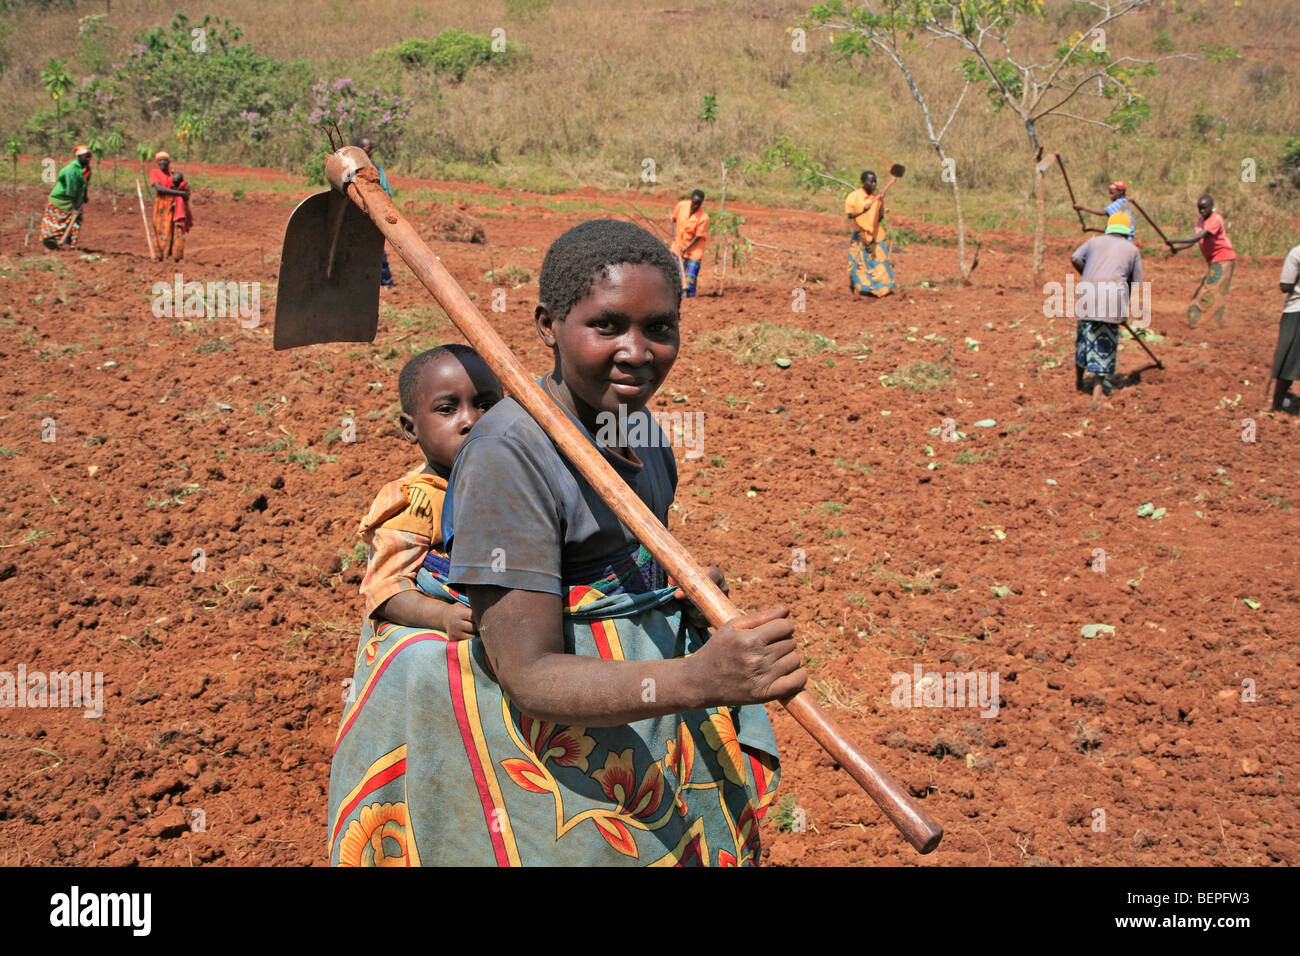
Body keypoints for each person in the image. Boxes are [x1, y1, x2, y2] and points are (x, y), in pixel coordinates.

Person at [328, 220, 802, 866]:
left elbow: (625, 564)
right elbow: (529, 673)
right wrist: (700, 676)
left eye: (659, 328)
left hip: (640, 704)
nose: (637, 351)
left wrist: (676, 596)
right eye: (607, 326)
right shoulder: (508, 457)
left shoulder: (645, 434)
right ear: (549, 325)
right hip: (549, 741)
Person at [357, 345, 504, 634]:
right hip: (444, 645)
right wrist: (443, 616)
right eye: (447, 410)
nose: (471, 421)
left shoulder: (516, 482)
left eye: (486, 405)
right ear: (410, 429)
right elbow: (385, 589)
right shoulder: (418, 503)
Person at [1069, 212, 1144, 400]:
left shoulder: (1094, 241)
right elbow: (1133, 283)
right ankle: (1097, 394)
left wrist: (1087, 274)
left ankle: (1078, 382)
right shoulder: (1132, 250)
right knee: (1104, 344)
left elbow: (1075, 258)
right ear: (1128, 231)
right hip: (1111, 300)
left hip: (1087, 296)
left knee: (1084, 339)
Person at [1168, 194, 1236, 328]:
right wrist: (1177, 249)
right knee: (1210, 289)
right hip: (1215, 261)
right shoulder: (1201, 220)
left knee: (1210, 290)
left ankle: (1203, 322)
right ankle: (1211, 322)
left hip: (1224, 259)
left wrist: (1174, 240)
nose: (1202, 211)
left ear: (1212, 207)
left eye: (1204, 208)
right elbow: (1194, 241)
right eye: (1199, 208)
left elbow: (1196, 238)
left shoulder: (1215, 219)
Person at [845, 170, 895, 297]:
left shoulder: (875, 199)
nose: (873, 184)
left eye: (875, 182)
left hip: (875, 235)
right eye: (870, 182)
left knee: (880, 263)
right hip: (860, 235)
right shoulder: (854, 196)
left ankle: (882, 290)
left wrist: (882, 201)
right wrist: (863, 211)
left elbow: (879, 218)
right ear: (863, 182)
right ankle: (864, 289)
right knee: (857, 264)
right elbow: (850, 215)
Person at [1264, 242, 1300, 413]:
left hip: (1296, 310)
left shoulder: (1297, 253)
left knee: (1289, 359)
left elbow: (1285, 286)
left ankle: (1277, 405)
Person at [357, 137, 395, 288]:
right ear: (359, 150)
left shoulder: (378, 171)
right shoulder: (351, 171)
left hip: (374, 217)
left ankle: (386, 283)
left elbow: (386, 193)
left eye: (371, 148)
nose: (371, 151)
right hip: (356, 217)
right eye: (367, 148)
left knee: (379, 251)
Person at [39, 146, 92, 250]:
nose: (89, 159)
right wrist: (74, 208)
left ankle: (69, 245)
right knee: (56, 222)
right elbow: (71, 190)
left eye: (89, 156)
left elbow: (85, 183)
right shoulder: (71, 170)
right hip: (61, 200)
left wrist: (85, 196)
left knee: (76, 221)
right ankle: (51, 243)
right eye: (86, 157)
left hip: (76, 200)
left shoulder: (86, 169)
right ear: (79, 157)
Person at [147, 152, 192, 262]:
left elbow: (185, 187)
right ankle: (160, 255)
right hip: (162, 205)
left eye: (165, 160)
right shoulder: (154, 172)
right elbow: (159, 188)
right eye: (160, 160)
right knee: (162, 228)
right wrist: (179, 194)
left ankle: (175, 256)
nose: (163, 162)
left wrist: (181, 188)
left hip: (174, 205)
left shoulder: (172, 175)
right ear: (157, 162)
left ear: (168, 162)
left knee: (175, 228)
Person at [669, 189, 709, 297]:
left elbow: (698, 236)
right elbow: (674, 219)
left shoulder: (704, 217)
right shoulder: (681, 206)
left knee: (689, 279)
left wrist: (686, 249)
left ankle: (689, 299)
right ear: (691, 199)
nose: (695, 206)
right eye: (694, 202)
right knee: (674, 275)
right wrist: (674, 235)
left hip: (694, 251)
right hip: (677, 246)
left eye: (698, 204)